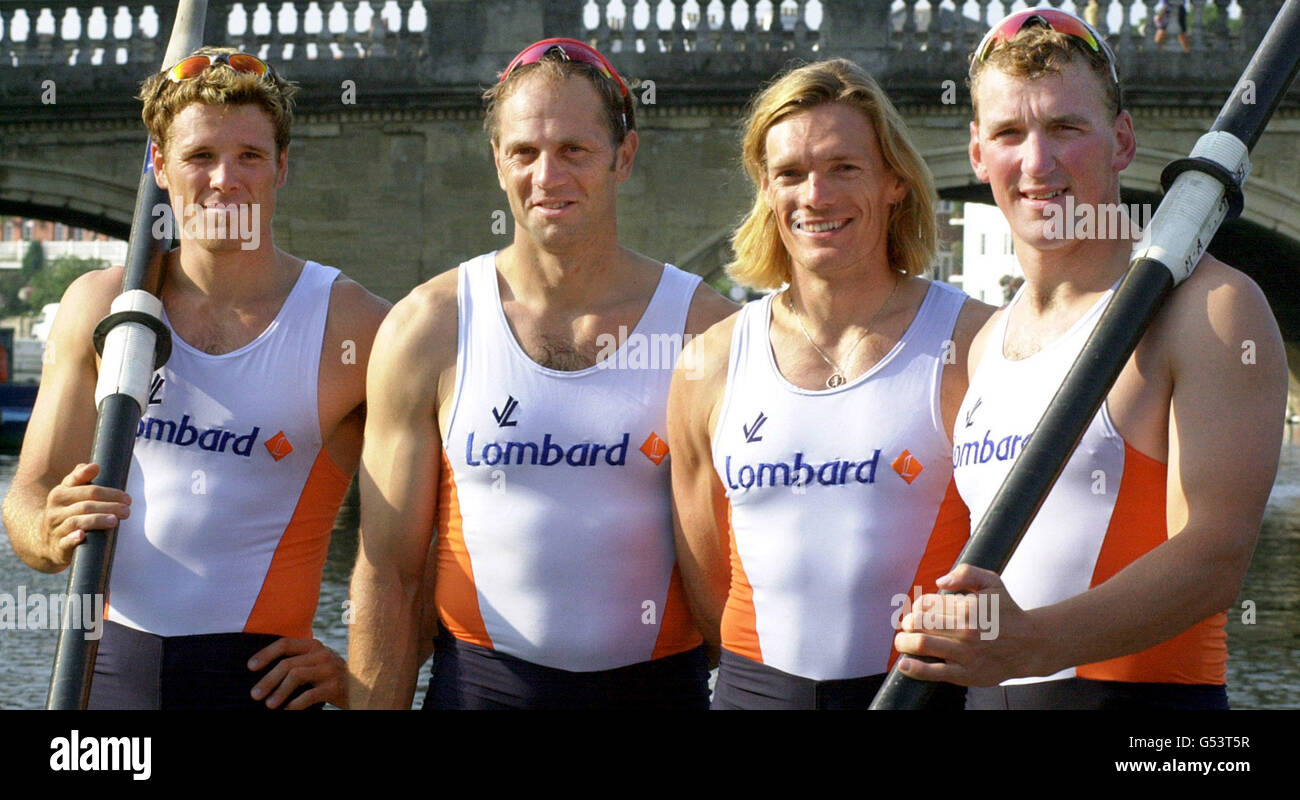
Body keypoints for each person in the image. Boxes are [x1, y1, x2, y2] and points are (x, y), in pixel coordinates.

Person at [893, 7, 1285, 709]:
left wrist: (1033, 644)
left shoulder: (1208, 308)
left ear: (1122, 140)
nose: (1037, 162)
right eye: (1010, 133)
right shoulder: (983, 341)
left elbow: (1214, 559)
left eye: (1066, 127)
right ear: (978, 153)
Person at [348, 38, 735, 710]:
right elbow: (388, 576)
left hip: (659, 692)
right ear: (499, 162)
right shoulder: (428, 328)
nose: (547, 176)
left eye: (574, 151)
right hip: (480, 691)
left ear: (624, 156)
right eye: (524, 152)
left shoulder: (706, 329)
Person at [2, 47, 389, 709]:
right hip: (105, 680)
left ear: (282, 167)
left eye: (249, 157)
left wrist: (362, 670)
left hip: (263, 688)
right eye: (200, 157)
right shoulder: (102, 307)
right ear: (159, 164)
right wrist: (47, 529)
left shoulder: (353, 326)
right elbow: (29, 499)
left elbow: (459, 526)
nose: (224, 181)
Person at [668, 59, 992, 710]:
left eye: (844, 167)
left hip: (922, 698)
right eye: (790, 174)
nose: (816, 196)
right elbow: (708, 582)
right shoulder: (710, 363)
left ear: (894, 180)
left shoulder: (976, 346)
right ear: (766, 189)